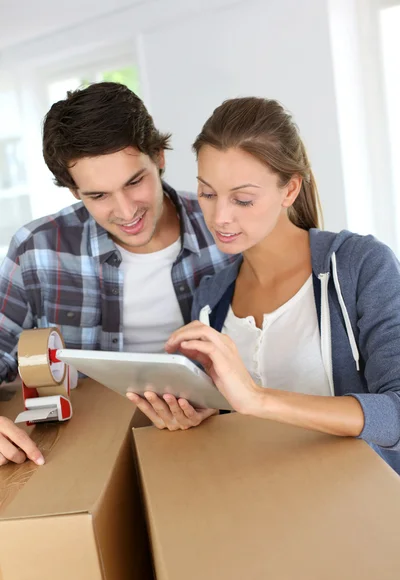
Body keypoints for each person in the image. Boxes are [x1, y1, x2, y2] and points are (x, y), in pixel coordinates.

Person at [130, 96, 400, 475]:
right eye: (207, 194)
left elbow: (396, 414)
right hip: (256, 500)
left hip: (360, 507)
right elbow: (225, 421)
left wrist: (257, 399)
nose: (220, 217)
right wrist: (200, 410)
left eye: (242, 199)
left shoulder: (360, 266)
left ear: (289, 191)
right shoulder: (211, 297)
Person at [0, 82, 234, 467]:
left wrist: (221, 399)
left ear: (158, 156)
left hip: (217, 439)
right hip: (87, 456)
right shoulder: (37, 249)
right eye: (98, 196)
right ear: (75, 191)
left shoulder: (224, 228)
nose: (126, 212)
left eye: (134, 182)